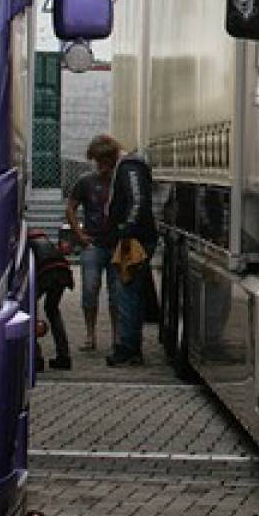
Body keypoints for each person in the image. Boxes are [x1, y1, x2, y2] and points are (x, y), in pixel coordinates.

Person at [101, 142, 158, 366]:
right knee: (130, 290)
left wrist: (126, 230)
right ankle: (130, 345)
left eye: (100, 163)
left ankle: (129, 347)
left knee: (126, 291)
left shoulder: (129, 168)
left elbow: (137, 201)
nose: (100, 169)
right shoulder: (130, 167)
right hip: (133, 238)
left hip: (132, 241)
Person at [65, 135, 119, 353]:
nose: (103, 167)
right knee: (89, 289)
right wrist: (80, 234)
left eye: (107, 162)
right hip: (93, 244)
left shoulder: (120, 181)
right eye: (100, 162)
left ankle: (117, 336)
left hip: (115, 245)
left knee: (117, 293)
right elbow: (71, 207)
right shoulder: (86, 181)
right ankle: (90, 334)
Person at [28, 227, 74, 370]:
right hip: (62, 272)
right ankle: (63, 356)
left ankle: (35, 358)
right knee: (53, 310)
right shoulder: (48, 243)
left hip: (45, 273)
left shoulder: (27, 244)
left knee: (30, 311)